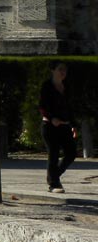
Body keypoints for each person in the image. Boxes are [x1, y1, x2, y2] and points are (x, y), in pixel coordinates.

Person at [40, 61, 77, 193]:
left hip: (65, 125)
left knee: (71, 153)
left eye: (65, 70)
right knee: (54, 153)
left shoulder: (67, 86)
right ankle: (54, 184)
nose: (63, 72)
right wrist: (52, 118)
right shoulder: (47, 86)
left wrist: (73, 124)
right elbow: (42, 106)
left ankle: (54, 177)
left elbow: (69, 107)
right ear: (53, 70)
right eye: (60, 69)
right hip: (50, 126)